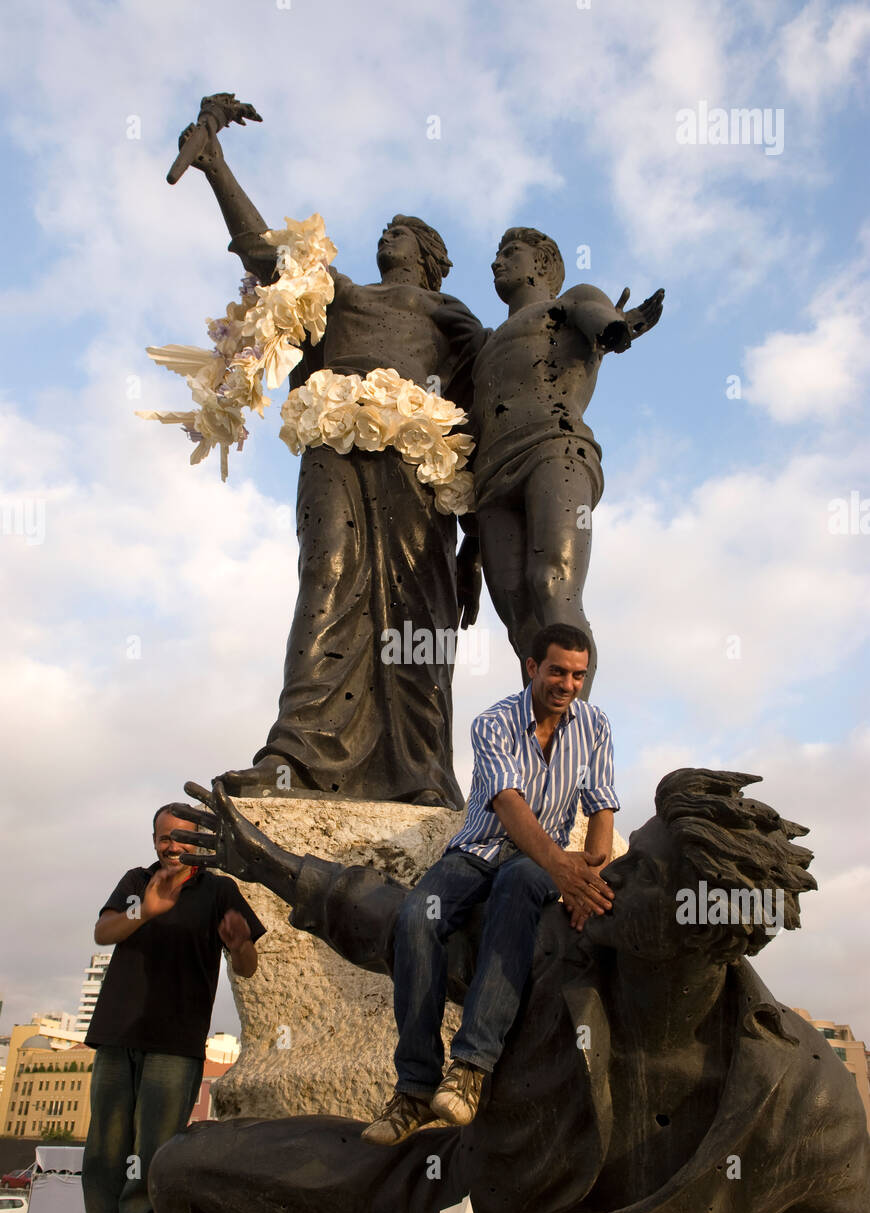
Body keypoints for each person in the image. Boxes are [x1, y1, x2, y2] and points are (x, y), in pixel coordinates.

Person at [152, 769, 870, 1213]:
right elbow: (407, 926)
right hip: (447, 1185)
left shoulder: (804, 1103)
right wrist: (268, 862)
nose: (609, 871)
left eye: (642, 872)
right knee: (180, 1168)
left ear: (696, 923)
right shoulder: (558, 945)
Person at [180, 110, 486, 808]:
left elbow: (494, 411)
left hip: (420, 461)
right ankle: (297, 757)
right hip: (334, 442)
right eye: (387, 229)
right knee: (325, 578)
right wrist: (215, 165)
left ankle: (421, 773)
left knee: (417, 611)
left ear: (429, 256)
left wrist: (475, 554)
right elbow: (267, 258)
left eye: (401, 230)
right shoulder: (340, 293)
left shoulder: (451, 318)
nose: (387, 235)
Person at [362, 620, 618, 1143]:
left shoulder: (596, 725)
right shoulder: (493, 722)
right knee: (416, 917)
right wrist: (560, 865)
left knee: (519, 885)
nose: (567, 684)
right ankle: (413, 1088)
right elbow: (507, 803)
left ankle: (472, 1067)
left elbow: (602, 805)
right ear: (531, 668)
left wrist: (589, 874)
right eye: (557, 671)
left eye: (578, 675)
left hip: (533, 866)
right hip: (478, 851)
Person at [471, 227, 663, 694]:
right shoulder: (485, 347)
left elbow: (599, 319)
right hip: (491, 481)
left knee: (552, 582)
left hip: (555, 448)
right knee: (518, 612)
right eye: (496, 255)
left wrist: (617, 328)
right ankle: (538, 734)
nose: (497, 263)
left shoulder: (569, 302)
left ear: (543, 263)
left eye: (510, 253)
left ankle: (572, 727)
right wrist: (466, 550)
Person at [81, 804, 265, 1213]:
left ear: (202, 842)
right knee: (104, 1154)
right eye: (165, 837)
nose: (173, 846)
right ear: (154, 840)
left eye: (183, 838)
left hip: (175, 1046)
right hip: (116, 1036)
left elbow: (246, 967)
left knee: (151, 1158)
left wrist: (239, 944)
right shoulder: (135, 882)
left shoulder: (221, 891)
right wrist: (145, 910)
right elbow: (104, 932)